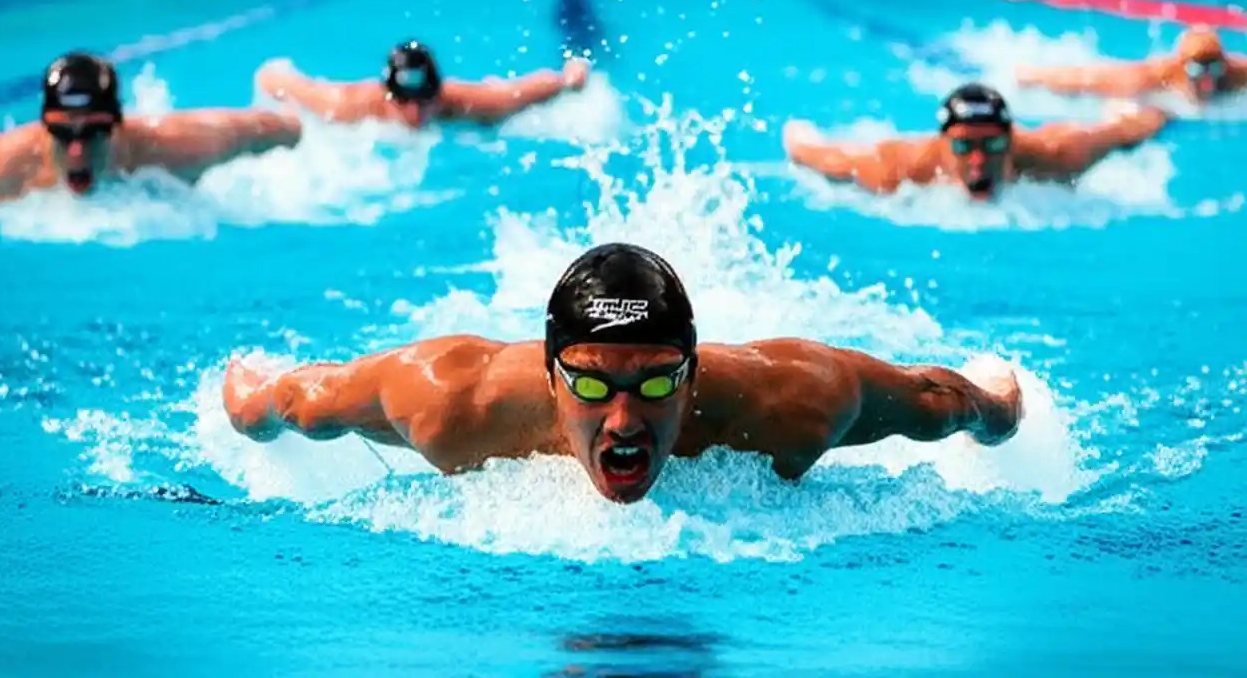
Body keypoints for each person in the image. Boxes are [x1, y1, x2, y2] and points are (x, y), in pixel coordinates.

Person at [223, 242, 1024, 504]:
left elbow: (935, 400)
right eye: (592, 384)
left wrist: (998, 408)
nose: (624, 421)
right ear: (547, 377)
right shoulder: (451, 404)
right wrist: (248, 399)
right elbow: (304, 399)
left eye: (655, 382)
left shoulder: (794, 403)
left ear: (695, 373)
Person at [0, 52, 301, 207]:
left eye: (93, 132)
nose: (77, 151)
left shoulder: (175, 147)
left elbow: (281, 128)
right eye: (63, 133)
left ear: (118, 124)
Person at [782, 82, 1167, 202]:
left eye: (993, 145)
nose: (979, 160)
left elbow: (1127, 131)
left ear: (1011, 139)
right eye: (965, 147)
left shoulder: (1058, 154)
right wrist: (799, 137)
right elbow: (815, 154)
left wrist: (1155, 114)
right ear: (945, 143)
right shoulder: (898, 168)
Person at [254, 39, 591, 128]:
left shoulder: (460, 102)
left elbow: (517, 92)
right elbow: (271, 77)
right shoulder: (346, 105)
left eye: (424, 100)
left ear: (437, 92)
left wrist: (568, 78)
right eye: (405, 102)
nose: (415, 112)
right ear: (389, 96)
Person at [1016, 26, 1246, 105]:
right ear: (1181, 67)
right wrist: (1036, 78)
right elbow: (1087, 79)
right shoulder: (1157, 75)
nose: (1207, 83)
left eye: (1214, 70)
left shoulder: (1239, 73)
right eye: (1196, 71)